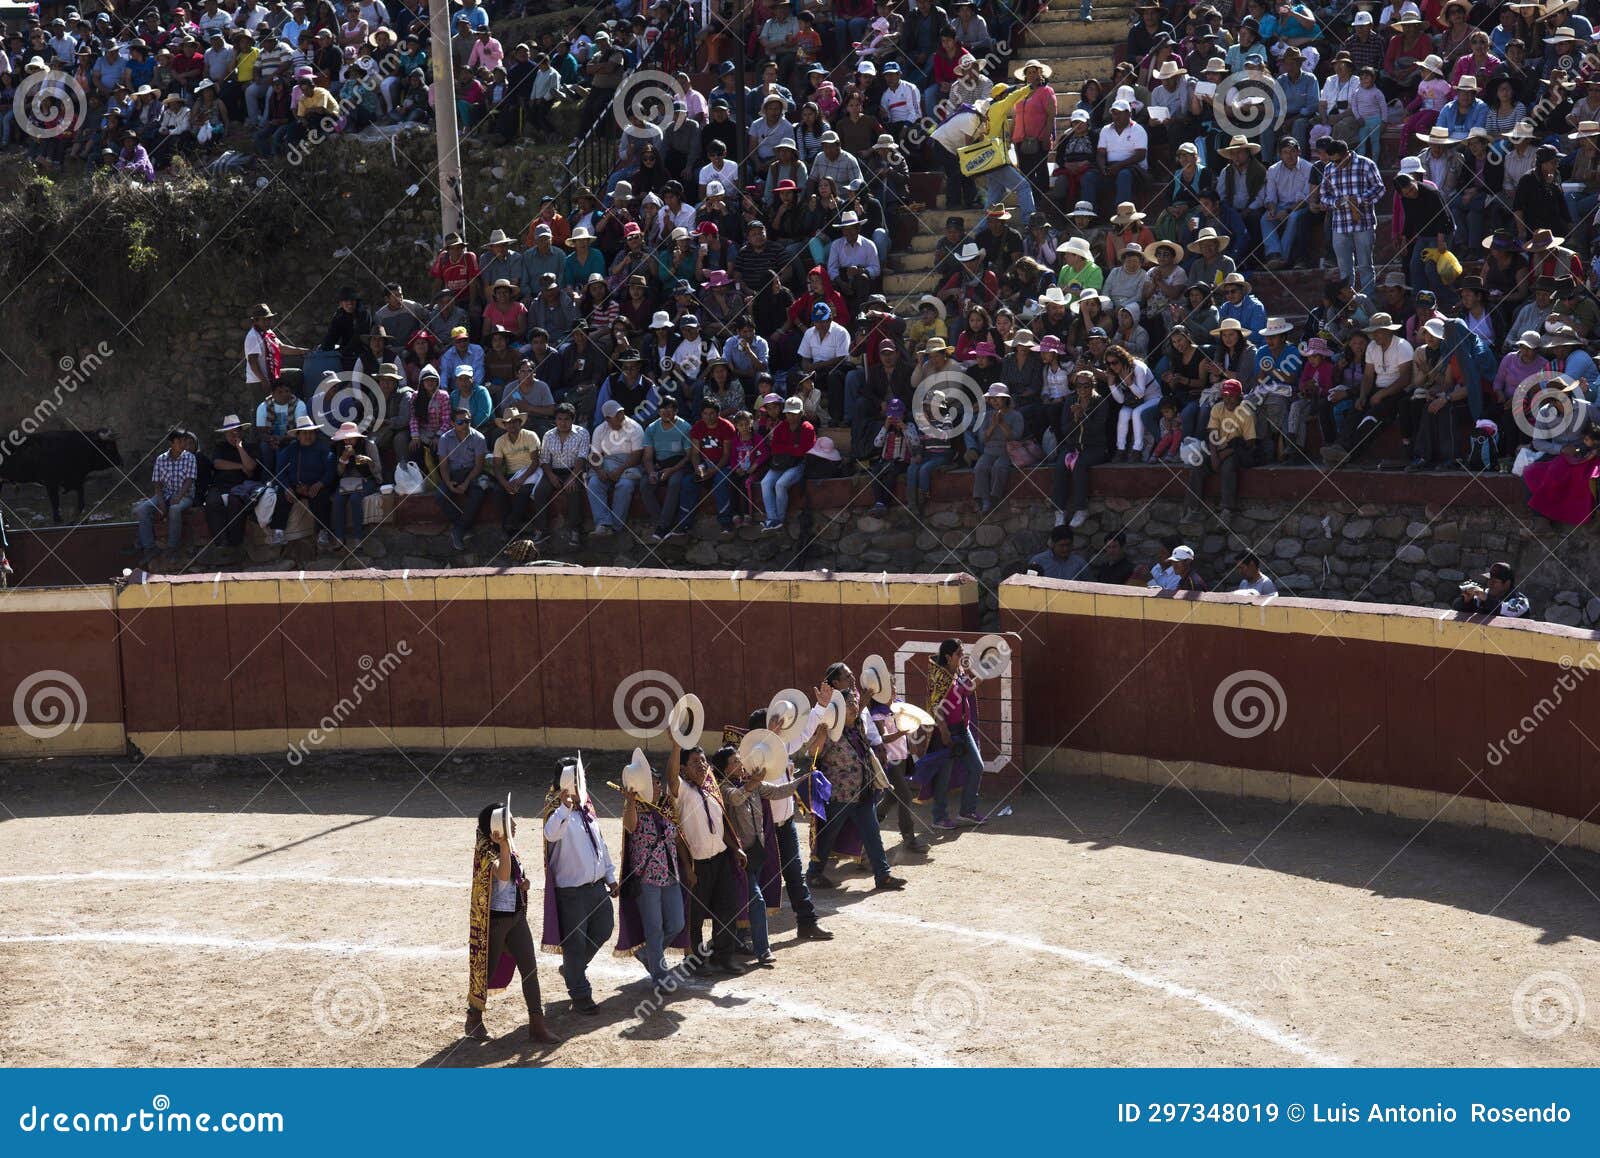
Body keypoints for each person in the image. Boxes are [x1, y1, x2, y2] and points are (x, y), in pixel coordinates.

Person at [465, 800, 560, 1044]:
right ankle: (473, 1019)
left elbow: (513, 876)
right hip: (495, 923)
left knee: (530, 970)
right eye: (510, 821)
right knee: (486, 971)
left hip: (515, 917)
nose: (515, 824)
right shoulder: (489, 849)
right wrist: (505, 845)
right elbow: (504, 874)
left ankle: (537, 1025)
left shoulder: (504, 845)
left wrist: (523, 882)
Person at [806, 662, 908, 890]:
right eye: (851, 704)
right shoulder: (831, 728)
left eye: (855, 703)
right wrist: (822, 726)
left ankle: (883, 875)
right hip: (839, 795)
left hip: (863, 791)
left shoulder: (858, 724)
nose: (856, 706)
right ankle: (813, 873)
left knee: (873, 836)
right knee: (827, 836)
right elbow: (812, 753)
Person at [542, 762, 617, 1014]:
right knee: (574, 943)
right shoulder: (555, 808)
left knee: (605, 928)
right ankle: (580, 993)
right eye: (578, 776)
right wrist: (564, 807)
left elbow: (599, 843)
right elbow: (551, 834)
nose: (583, 780)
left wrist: (610, 875)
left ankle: (572, 970)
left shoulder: (586, 807)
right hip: (572, 891)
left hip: (596, 886)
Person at [672, 742, 747, 976]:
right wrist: (675, 747)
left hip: (721, 858)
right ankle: (695, 960)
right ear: (683, 768)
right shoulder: (682, 791)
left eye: (703, 761)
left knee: (727, 908)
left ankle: (723, 957)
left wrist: (735, 849)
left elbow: (721, 824)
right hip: (698, 864)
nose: (702, 766)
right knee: (695, 914)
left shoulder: (711, 787)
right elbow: (671, 776)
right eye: (695, 762)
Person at [924, 640, 986, 830]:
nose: (962, 657)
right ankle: (939, 817)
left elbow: (968, 689)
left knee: (976, 766)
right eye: (959, 653)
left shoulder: (958, 671)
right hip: (945, 731)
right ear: (948, 656)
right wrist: (943, 731)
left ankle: (966, 811)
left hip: (962, 727)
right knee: (944, 774)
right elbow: (935, 707)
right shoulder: (939, 676)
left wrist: (983, 674)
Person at [1185, 378, 1254, 519]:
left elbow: (1249, 442)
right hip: (1217, 448)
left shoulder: (1246, 412)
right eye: (1225, 396)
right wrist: (1215, 455)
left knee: (1228, 467)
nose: (1228, 400)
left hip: (1236, 450)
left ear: (1239, 397)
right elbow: (1212, 434)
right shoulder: (1217, 408)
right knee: (1197, 464)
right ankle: (1193, 509)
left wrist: (1225, 454)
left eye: (1231, 396)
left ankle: (1227, 509)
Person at [133, 429, 198, 562]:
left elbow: (189, 480)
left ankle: (172, 547)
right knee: (142, 509)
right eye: (179, 441)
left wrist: (179, 496)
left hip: (185, 495)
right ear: (171, 443)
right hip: (166, 493)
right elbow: (157, 483)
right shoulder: (161, 459)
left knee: (174, 509)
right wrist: (161, 502)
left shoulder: (190, 457)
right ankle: (149, 547)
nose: (183, 444)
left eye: (184, 441)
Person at [435, 405, 488, 552]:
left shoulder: (479, 438)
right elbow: (443, 465)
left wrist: (466, 483)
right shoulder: (445, 439)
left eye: (467, 421)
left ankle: (459, 529)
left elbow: (478, 466)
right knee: (440, 495)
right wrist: (448, 482)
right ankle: (462, 524)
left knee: (478, 494)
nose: (464, 425)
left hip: (472, 473)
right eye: (460, 422)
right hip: (453, 473)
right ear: (452, 423)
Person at [1452, 561, 1531, 618]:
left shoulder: (1520, 601)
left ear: (1507, 583)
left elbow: (1505, 610)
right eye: (1489, 580)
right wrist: (1467, 600)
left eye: (1495, 581)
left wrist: (1486, 599)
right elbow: (1456, 607)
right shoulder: (1485, 594)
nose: (1489, 584)